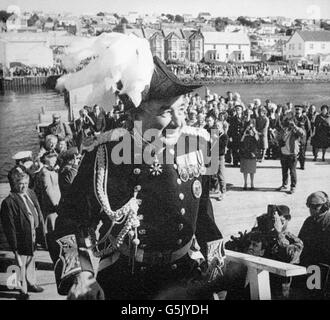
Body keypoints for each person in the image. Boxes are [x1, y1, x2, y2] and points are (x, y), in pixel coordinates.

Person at [49, 39, 224, 300]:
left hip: (185, 279)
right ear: (135, 115)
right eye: (166, 111)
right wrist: (81, 273)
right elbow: (69, 220)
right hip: (129, 281)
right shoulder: (105, 155)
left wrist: (216, 267)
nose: (178, 121)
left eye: (182, 109)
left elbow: (205, 218)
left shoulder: (196, 145)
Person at [0, 168, 46, 299]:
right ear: (14, 184)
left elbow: (37, 209)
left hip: (33, 234)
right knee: (20, 264)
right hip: (21, 238)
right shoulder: (8, 202)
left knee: (31, 260)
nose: (24, 186)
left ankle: (31, 282)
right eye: (21, 183)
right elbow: (10, 228)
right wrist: (14, 248)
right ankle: (23, 290)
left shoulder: (30, 193)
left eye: (26, 183)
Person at [294, 191, 330, 299]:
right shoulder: (309, 221)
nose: (312, 209)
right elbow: (300, 241)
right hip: (311, 265)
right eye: (310, 206)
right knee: (311, 294)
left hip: (324, 266)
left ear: (325, 206)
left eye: (315, 207)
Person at [277, 111, 305, 194]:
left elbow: (302, 134)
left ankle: (293, 186)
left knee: (292, 171)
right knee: (284, 171)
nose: (287, 122)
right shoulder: (283, 130)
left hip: (292, 154)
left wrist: (295, 126)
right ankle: (284, 184)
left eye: (289, 120)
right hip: (284, 153)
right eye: (286, 120)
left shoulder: (295, 130)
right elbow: (279, 138)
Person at [34, 151, 61, 233]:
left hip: (56, 201)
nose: (54, 162)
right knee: (51, 225)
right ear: (46, 160)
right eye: (52, 160)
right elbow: (48, 190)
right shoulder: (45, 173)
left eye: (55, 160)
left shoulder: (52, 170)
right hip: (51, 204)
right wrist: (56, 205)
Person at [211, 121, 228, 201]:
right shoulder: (213, 135)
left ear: (221, 127)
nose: (217, 127)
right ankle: (215, 189)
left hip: (220, 157)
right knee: (214, 174)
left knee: (221, 174)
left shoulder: (224, 136)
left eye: (218, 126)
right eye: (216, 126)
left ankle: (223, 192)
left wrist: (216, 138)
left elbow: (223, 145)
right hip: (213, 156)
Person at [239, 124, 259, 190]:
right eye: (249, 130)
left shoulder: (254, 137)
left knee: (252, 171)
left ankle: (252, 184)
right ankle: (245, 183)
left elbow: (257, 139)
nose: (250, 131)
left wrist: (254, 129)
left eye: (251, 131)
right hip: (245, 155)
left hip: (252, 155)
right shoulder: (245, 137)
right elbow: (241, 141)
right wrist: (245, 131)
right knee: (245, 171)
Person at [295, 105, 311, 170]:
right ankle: (294, 165)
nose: (297, 111)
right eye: (296, 110)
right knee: (294, 153)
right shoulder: (293, 118)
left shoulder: (305, 118)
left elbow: (308, 128)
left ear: (301, 110)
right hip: (294, 138)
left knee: (302, 153)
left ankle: (302, 165)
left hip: (302, 138)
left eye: (299, 110)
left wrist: (307, 138)